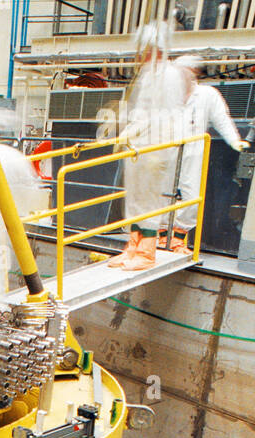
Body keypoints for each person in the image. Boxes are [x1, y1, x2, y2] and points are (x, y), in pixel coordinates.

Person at [109, 21, 186, 271]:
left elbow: (161, 115)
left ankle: (147, 252)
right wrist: (125, 134)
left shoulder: (169, 75)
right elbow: (140, 111)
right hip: (140, 146)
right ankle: (132, 247)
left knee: (149, 199)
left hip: (157, 146)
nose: (140, 55)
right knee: (134, 198)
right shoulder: (147, 74)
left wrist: (131, 132)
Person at [166, 53, 249, 248]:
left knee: (192, 196)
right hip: (166, 151)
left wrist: (235, 141)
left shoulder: (207, 95)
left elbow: (222, 119)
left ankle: (178, 237)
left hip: (193, 153)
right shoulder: (167, 96)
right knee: (163, 194)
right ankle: (161, 235)